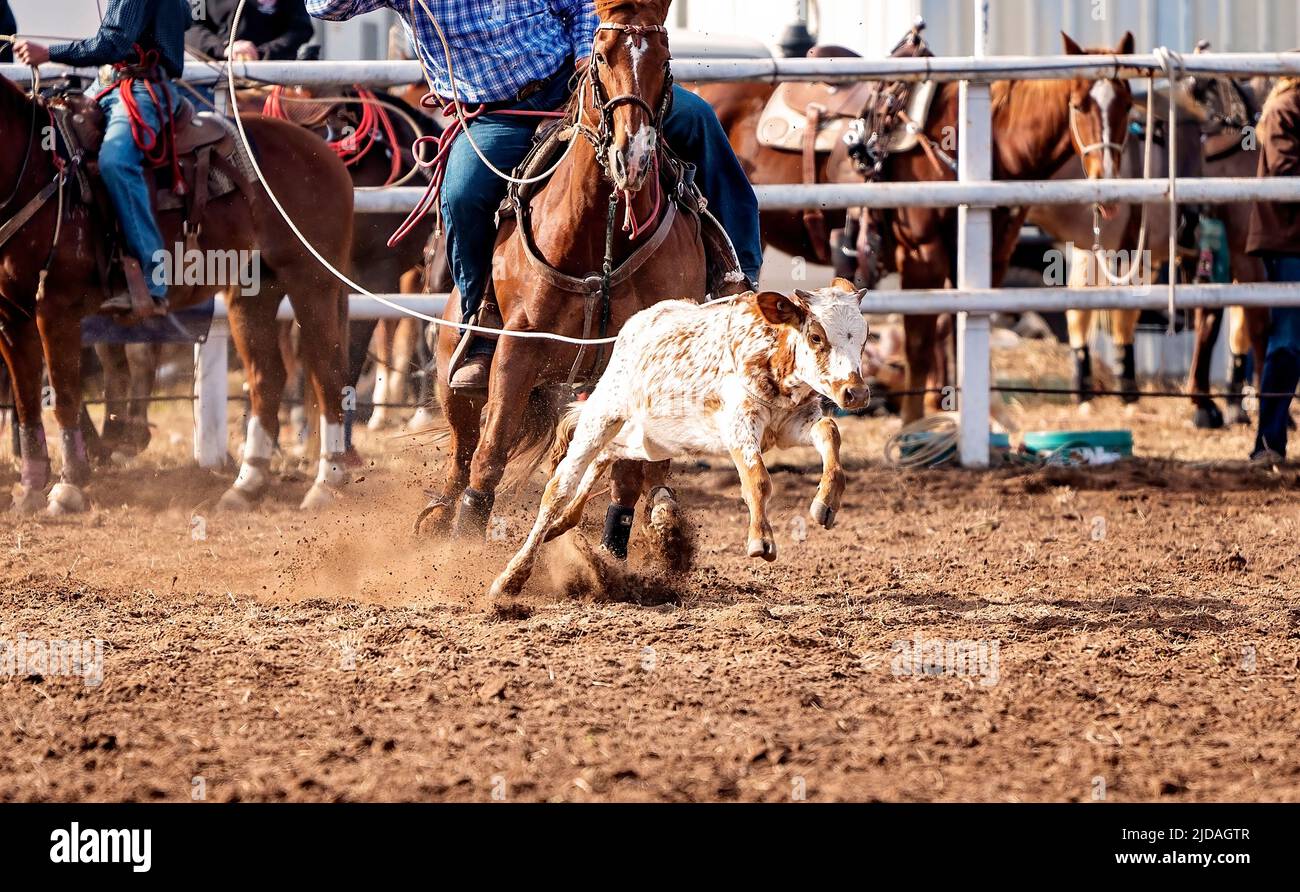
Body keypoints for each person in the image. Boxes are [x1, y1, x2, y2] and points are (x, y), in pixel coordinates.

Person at [306, 0, 764, 389]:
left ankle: (737, 280)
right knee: (464, 192)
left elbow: (584, 5)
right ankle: (480, 320)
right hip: (494, 112)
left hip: (577, 86)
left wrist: (593, 59)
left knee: (699, 119)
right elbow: (326, 6)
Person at [14, 0, 193, 312]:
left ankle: (153, 280)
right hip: (109, 86)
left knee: (116, 162)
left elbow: (114, 42)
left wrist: (49, 53)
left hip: (138, 88)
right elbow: (186, 18)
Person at [1246, 74, 1300, 462]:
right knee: (1287, 339)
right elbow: (1285, 171)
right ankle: (1268, 443)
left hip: (1291, 237)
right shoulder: (1287, 107)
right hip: (1290, 238)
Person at [186, 0, 315, 63]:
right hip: (212, 77)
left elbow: (300, 28)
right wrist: (224, 48)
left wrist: (260, 53)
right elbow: (190, 26)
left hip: (272, 76)